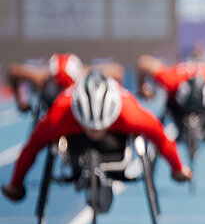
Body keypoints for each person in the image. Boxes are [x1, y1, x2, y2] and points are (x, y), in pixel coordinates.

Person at [2, 71, 192, 203]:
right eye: (89, 126)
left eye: (100, 126)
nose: (95, 132)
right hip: (75, 144)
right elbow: (31, 147)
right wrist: (15, 184)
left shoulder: (130, 113)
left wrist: (178, 168)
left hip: (115, 142)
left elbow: (160, 137)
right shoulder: (59, 115)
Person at [5, 54, 123, 115]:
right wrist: (20, 101)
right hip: (50, 102)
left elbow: (117, 71)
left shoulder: (84, 73)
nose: (62, 92)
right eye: (59, 88)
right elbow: (13, 72)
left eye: (65, 87)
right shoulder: (41, 77)